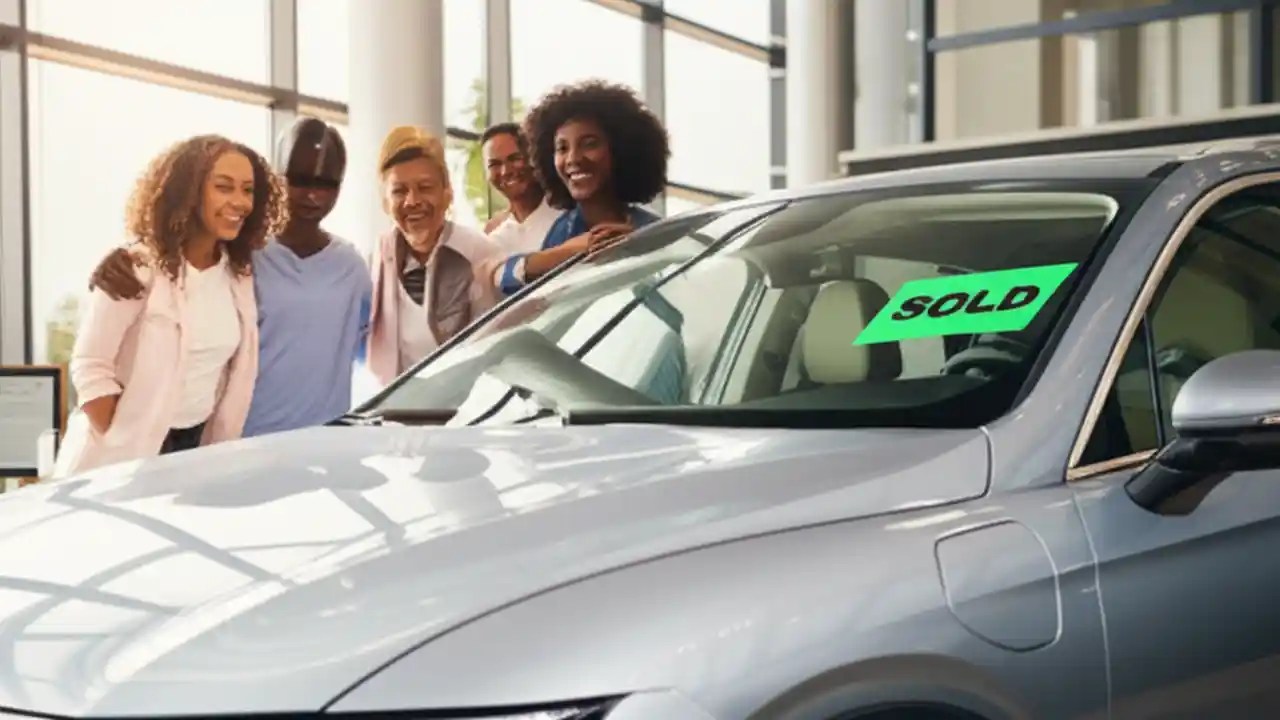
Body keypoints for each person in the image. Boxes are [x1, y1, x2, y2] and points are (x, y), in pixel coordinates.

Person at [88, 117, 373, 438]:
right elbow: (179, 258)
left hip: (325, 443)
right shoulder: (241, 257)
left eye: (327, 184)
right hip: (239, 440)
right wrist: (121, 260)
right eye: (300, 180)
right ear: (277, 177)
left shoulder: (352, 268)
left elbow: (377, 347)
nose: (312, 196)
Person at [56, 135, 287, 478]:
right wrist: (122, 439)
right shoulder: (136, 267)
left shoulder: (238, 275)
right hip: (125, 455)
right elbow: (90, 365)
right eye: (224, 187)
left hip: (198, 448)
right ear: (189, 191)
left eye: (248, 190)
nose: (240, 202)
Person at [494, 79, 671, 297]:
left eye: (589, 144)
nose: (573, 159)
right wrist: (572, 250)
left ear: (620, 150)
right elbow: (506, 279)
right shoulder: (564, 228)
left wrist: (636, 249)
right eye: (562, 148)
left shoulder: (654, 232)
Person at [364, 125, 504, 387]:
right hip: (399, 404)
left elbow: (497, 346)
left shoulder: (480, 253)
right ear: (385, 202)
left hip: (467, 402)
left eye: (425, 187)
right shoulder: (380, 258)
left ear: (447, 194)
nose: (412, 201)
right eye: (399, 191)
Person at [479, 122, 561, 252]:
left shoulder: (565, 212)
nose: (505, 171)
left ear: (533, 158)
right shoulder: (492, 231)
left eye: (515, 158)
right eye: (494, 164)